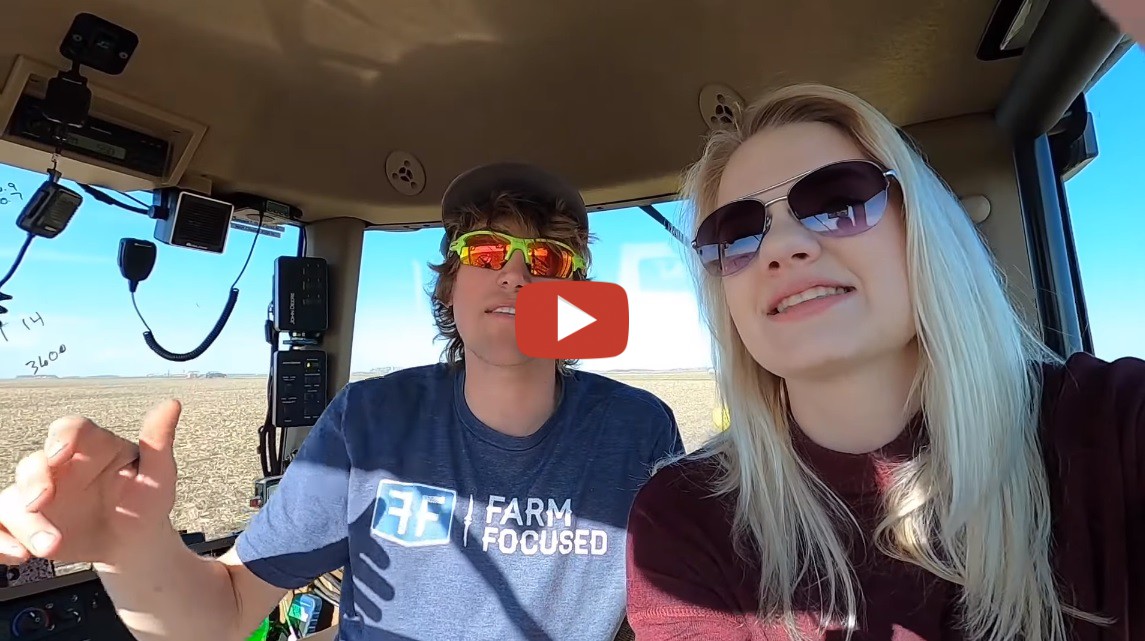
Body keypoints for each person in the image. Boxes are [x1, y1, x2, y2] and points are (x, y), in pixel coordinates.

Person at [0, 161, 684, 641]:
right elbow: (227, 609)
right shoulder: (370, 422)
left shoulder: (637, 430)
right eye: (484, 251)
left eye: (547, 262)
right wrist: (132, 547)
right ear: (449, 287)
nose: (511, 271)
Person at [624, 83, 1145, 641]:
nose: (780, 247)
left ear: (924, 229)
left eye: (837, 202)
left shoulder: (1109, 426)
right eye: (737, 234)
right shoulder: (684, 517)